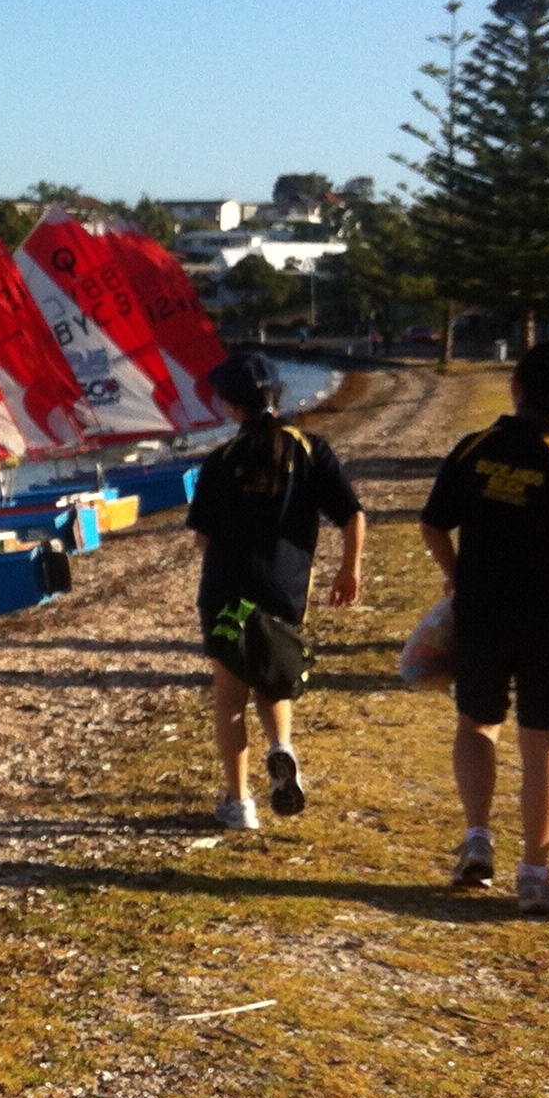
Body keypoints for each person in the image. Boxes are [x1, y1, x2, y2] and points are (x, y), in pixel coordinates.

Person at [419, 340, 549, 912]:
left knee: (477, 723)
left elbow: (433, 526)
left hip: (481, 608)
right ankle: (534, 874)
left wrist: (454, 577)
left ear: (517, 388)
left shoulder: (475, 446)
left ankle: (477, 838)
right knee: (542, 743)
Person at [185, 353, 365, 829]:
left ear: (228, 404)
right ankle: (280, 748)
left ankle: (239, 803)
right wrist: (349, 569)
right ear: (277, 393)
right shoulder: (309, 449)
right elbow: (351, 514)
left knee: (229, 698)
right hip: (285, 589)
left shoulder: (220, 460)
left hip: (227, 590)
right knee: (273, 675)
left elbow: (203, 535)